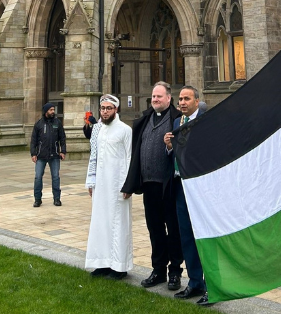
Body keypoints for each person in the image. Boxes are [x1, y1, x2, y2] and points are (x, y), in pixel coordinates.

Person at [122, 82, 183, 291]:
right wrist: (130, 183)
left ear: (168, 98)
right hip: (149, 185)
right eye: (153, 97)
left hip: (169, 186)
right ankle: (158, 270)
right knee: (155, 229)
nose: (155, 100)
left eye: (159, 96)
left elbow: (183, 152)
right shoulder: (145, 119)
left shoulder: (177, 120)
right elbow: (136, 154)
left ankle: (175, 272)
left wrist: (170, 147)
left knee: (173, 230)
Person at [165, 86, 212, 306]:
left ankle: (212, 286)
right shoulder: (177, 123)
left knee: (205, 236)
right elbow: (178, 151)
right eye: (180, 99)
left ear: (197, 101)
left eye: (187, 99)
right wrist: (169, 145)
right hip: (180, 185)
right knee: (186, 235)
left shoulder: (206, 121)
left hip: (200, 187)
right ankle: (195, 283)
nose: (182, 102)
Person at [85, 94, 134, 279]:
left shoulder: (125, 130)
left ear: (116, 110)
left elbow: (130, 158)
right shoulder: (98, 129)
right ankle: (102, 263)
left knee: (119, 224)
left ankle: (119, 267)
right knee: (101, 224)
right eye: (103, 108)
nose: (105, 111)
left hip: (119, 186)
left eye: (109, 108)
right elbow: (93, 157)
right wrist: (91, 181)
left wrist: (129, 185)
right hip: (100, 186)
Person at [30, 102, 67, 207]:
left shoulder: (57, 123)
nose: (53, 112)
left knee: (55, 177)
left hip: (54, 155)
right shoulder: (39, 124)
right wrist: (33, 153)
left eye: (53, 110)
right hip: (41, 155)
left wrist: (63, 151)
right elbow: (33, 140)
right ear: (46, 111)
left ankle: (57, 198)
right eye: (51, 110)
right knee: (38, 177)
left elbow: (62, 138)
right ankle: (37, 199)